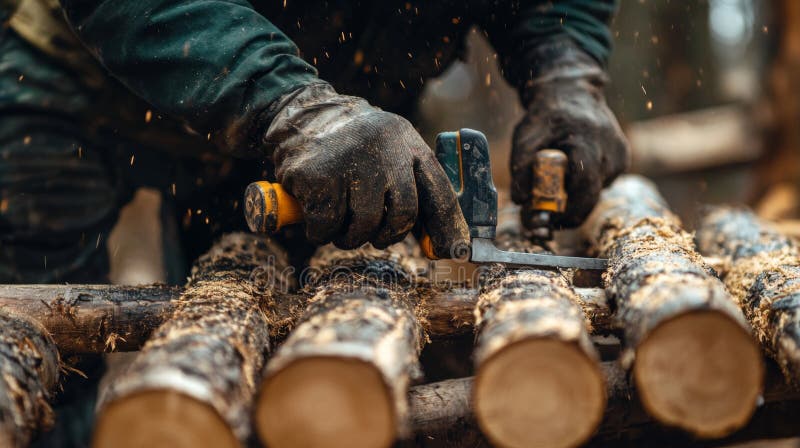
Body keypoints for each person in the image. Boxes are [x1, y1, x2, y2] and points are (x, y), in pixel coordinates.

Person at [0, 0, 628, 282]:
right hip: (78, 86)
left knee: (283, 364)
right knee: (40, 370)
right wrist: (294, 109)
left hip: (333, 126)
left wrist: (565, 65)